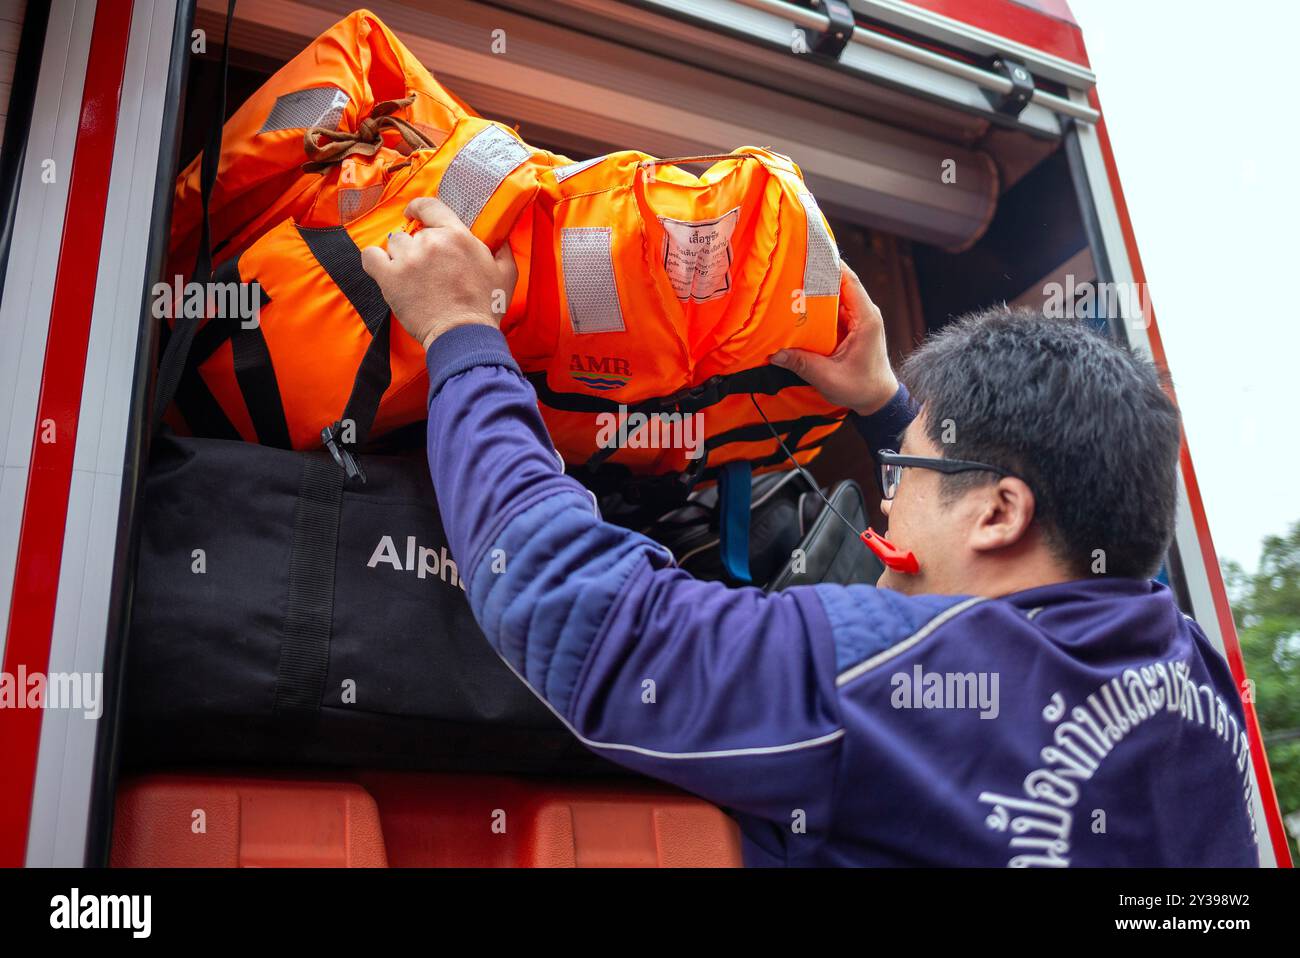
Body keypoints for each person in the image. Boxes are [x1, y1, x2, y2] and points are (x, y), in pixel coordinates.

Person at [359, 196, 1260, 867]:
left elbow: (567, 600)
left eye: (903, 474)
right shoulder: (1191, 676)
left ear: (999, 513)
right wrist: (887, 409)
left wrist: (460, 331)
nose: (881, 500)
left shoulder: (886, 676)